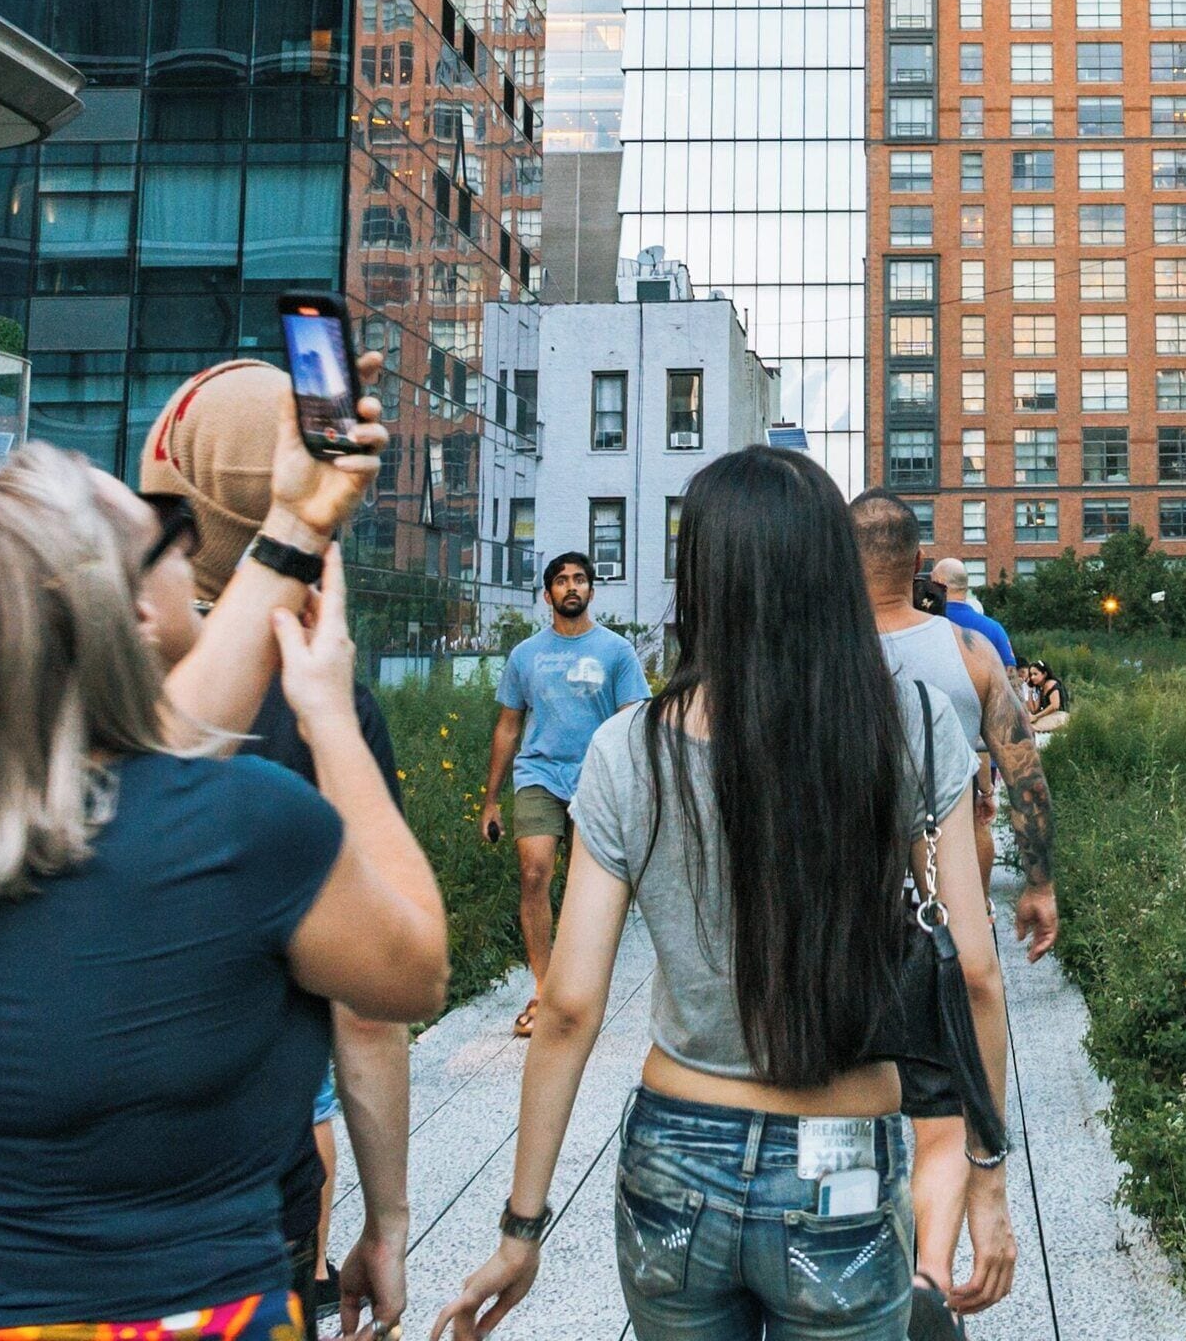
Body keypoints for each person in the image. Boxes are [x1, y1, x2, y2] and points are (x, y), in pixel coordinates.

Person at [0, 424, 445, 1341]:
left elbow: (155, 750)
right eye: (168, 535)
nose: (193, 549)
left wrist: (297, 518)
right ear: (121, 615)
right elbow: (415, 968)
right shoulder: (245, 822)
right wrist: (327, 713)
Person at [431, 449, 1016, 1341]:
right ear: (829, 568)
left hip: (673, 1157)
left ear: (698, 576)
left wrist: (521, 1229)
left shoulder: (632, 747)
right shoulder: (906, 724)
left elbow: (569, 1007)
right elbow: (974, 970)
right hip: (842, 1162)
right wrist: (986, 1175)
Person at [140, 359, 421, 1338]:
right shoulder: (323, 704)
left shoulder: (66, 682)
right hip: (246, 1217)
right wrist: (386, 1221)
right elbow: (374, 1008)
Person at [857, 496, 1058, 960]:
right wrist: (1040, 886)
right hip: (950, 885)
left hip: (847, 895)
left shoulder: (815, 656)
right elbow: (1026, 778)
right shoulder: (972, 651)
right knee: (966, 999)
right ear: (919, 564)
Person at [481, 553, 647, 1034]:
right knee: (534, 873)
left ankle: (580, 990)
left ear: (591, 591)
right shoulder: (525, 655)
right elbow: (509, 727)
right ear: (547, 594)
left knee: (583, 891)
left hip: (597, 780)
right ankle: (544, 989)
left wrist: (635, 790)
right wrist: (490, 800)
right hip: (539, 776)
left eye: (579, 580)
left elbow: (632, 724)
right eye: (560, 580)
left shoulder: (617, 652)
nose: (570, 587)